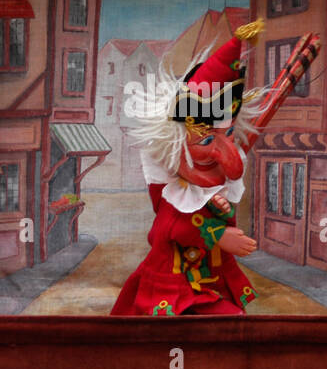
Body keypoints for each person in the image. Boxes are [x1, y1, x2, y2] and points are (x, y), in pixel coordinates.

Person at [111, 24, 268, 316]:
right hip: (176, 288)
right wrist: (218, 235)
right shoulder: (175, 194)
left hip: (209, 280)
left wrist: (219, 212)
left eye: (230, 134)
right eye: (207, 139)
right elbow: (169, 228)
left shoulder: (210, 187)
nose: (224, 152)